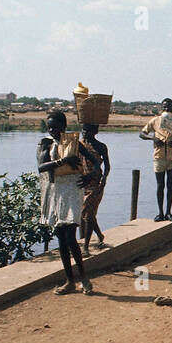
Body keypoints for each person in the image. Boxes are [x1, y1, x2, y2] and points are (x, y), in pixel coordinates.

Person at [37, 110, 95, 296]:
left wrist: (90, 177)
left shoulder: (73, 143)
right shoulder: (45, 143)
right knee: (61, 236)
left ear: (64, 127)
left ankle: (84, 278)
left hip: (73, 189)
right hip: (55, 190)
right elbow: (41, 167)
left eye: (56, 127)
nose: (53, 130)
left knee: (70, 234)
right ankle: (70, 280)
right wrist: (63, 160)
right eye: (50, 127)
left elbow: (96, 163)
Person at [139, 98, 172, 221]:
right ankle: (160, 213)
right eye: (164, 107)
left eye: (169, 107)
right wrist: (153, 138)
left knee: (170, 185)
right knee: (160, 185)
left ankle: (168, 212)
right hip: (159, 157)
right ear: (162, 109)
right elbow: (141, 134)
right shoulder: (155, 121)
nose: (166, 109)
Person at [78, 122, 110, 253]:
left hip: (95, 183)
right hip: (81, 183)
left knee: (87, 213)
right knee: (88, 214)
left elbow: (107, 166)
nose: (84, 132)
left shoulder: (100, 146)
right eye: (83, 130)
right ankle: (100, 235)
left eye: (88, 130)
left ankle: (85, 246)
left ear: (95, 131)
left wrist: (104, 179)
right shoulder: (78, 145)